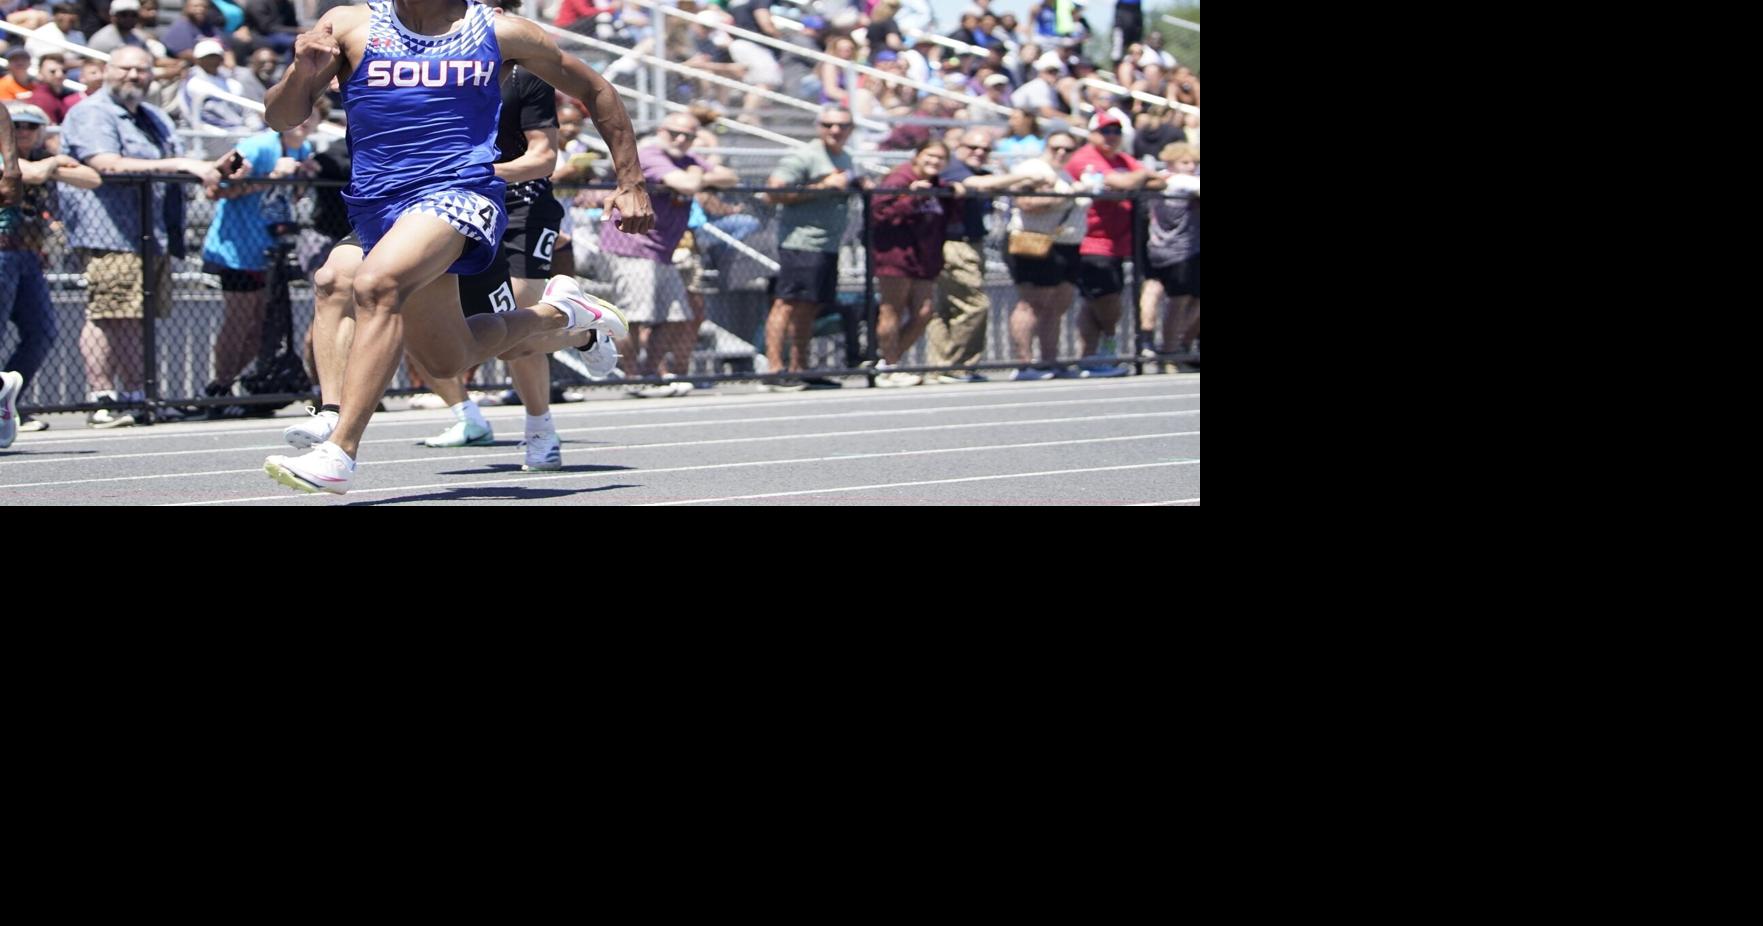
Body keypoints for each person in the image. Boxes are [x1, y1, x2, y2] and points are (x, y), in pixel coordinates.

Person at [258, 0, 653, 495]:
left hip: (461, 192)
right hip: (378, 204)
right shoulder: (348, 24)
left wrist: (631, 180)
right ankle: (564, 314)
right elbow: (280, 117)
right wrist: (302, 73)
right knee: (447, 359)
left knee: (376, 284)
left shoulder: (501, 31)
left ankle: (339, 450)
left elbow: (596, 89)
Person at [414, 0, 607, 471]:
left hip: (521, 204)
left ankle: (541, 430)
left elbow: (544, 157)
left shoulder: (527, 74)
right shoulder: (432, 67)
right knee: (423, 316)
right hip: (458, 206)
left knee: (516, 332)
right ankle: (578, 332)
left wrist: (481, 170)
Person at [59, 45, 231, 428]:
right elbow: (106, 164)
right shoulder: (91, 112)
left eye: (142, 70)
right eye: (126, 69)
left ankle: (138, 395)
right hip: (109, 233)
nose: (134, 76)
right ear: (106, 70)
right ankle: (101, 399)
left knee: (139, 318)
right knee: (108, 315)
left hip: (153, 234)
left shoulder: (153, 117)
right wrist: (183, 164)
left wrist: (208, 170)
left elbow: (178, 162)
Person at [196, 103, 323, 418]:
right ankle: (219, 388)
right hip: (236, 249)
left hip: (270, 250)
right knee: (239, 321)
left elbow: (290, 198)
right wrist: (272, 177)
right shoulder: (256, 146)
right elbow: (216, 188)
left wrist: (302, 179)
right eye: (300, 113)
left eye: (311, 115)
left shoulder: (303, 148)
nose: (304, 121)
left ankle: (226, 383)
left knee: (261, 329)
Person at [599, 111, 735, 398]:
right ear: (662, 130)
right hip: (631, 245)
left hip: (662, 250)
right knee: (633, 318)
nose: (681, 139)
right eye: (675, 133)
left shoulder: (686, 160)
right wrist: (698, 174)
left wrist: (696, 173)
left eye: (689, 135)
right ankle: (633, 377)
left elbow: (729, 177)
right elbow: (688, 185)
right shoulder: (649, 155)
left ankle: (650, 374)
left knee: (676, 315)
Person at [3, 102, 100, 441]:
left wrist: (52, 165)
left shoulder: (45, 156)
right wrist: (53, 165)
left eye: (31, 126)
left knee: (42, 332)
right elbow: (30, 174)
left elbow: (92, 178)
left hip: (29, 256)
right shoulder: (8, 157)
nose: (24, 132)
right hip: (1, 251)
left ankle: (9, 405)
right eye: (17, 125)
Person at [758, 105, 855, 392]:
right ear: (819, 127)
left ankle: (800, 368)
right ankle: (775, 369)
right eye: (828, 125)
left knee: (810, 307)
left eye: (842, 126)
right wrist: (822, 187)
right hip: (801, 243)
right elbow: (771, 193)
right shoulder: (805, 156)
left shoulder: (845, 156)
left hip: (828, 244)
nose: (835, 131)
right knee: (786, 303)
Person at [927, 129, 1034, 383]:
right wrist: (1024, 174)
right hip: (955, 245)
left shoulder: (978, 172)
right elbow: (977, 185)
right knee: (975, 305)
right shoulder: (952, 167)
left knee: (948, 309)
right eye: (973, 147)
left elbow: (991, 182)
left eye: (985, 150)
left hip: (971, 244)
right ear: (959, 146)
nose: (979, 153)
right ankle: (958, 366)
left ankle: (942, 366)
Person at [1062, 113, 1164, 376]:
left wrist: (1135, 177)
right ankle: (1105, 345)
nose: (1111, 136)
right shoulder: (1085, 158)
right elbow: (1123, 181)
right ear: (1092, 133)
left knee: (1094, 301)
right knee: (1105, 299)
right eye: (1105, 131)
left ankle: (1091, 356)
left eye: (1116, 131)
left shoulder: (1121, 159)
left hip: (1117, 242)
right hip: (1091, 241)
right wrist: (1138, 176)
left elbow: (1159, 181)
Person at [869, 140, 964, 388]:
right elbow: (878, 212)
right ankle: (888, 367)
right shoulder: (899, 179)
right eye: (929, 156)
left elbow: (945, 215)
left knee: (924, 312)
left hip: (925, 259)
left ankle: (887, 362)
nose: (934, 162)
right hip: (896, 256)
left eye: (940, 158)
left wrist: (952, 193)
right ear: (917, 156)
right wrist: (911, 198)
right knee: (893, 309)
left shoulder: (935, 184)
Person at [1002, 130, 1086, 379]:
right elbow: (1025, 202)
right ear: (1045, 146)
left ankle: (1049, 360)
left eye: (1067, 149)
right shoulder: (1033, 168)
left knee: (1056, 305)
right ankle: (1024, 363)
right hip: (1034, 241)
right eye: (1056, 147)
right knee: (1032, 304)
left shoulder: (1067, 173)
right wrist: (1063, 197)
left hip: (1066, 244)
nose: (1061, 153)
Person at [1137, 141, 1198, 364]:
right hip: (1181, 249)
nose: (1191, 166)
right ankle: (1171, 348)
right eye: (1185, 162)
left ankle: (1148, 339)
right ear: (1172, 162)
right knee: (1178, 300)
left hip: (1156, 246)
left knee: (1155, 290)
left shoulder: (1160, 179)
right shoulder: (1181, 180)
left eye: (1194, 162)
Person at [178, 39, 255, 136]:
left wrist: (253, 127)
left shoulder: (231, 82)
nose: (213, 61)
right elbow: (191, 115)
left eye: (216, 57)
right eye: (208, 57)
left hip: (238, 131)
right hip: (205, 135)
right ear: (198, 59)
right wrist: (229, 130)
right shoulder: (191, 82)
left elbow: (247, 110)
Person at [23, 53, 80, 123]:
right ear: (40, 74)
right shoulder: (41, 99)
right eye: (52, 72)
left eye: (64, 71)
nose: (59, 75)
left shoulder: (57, 96)